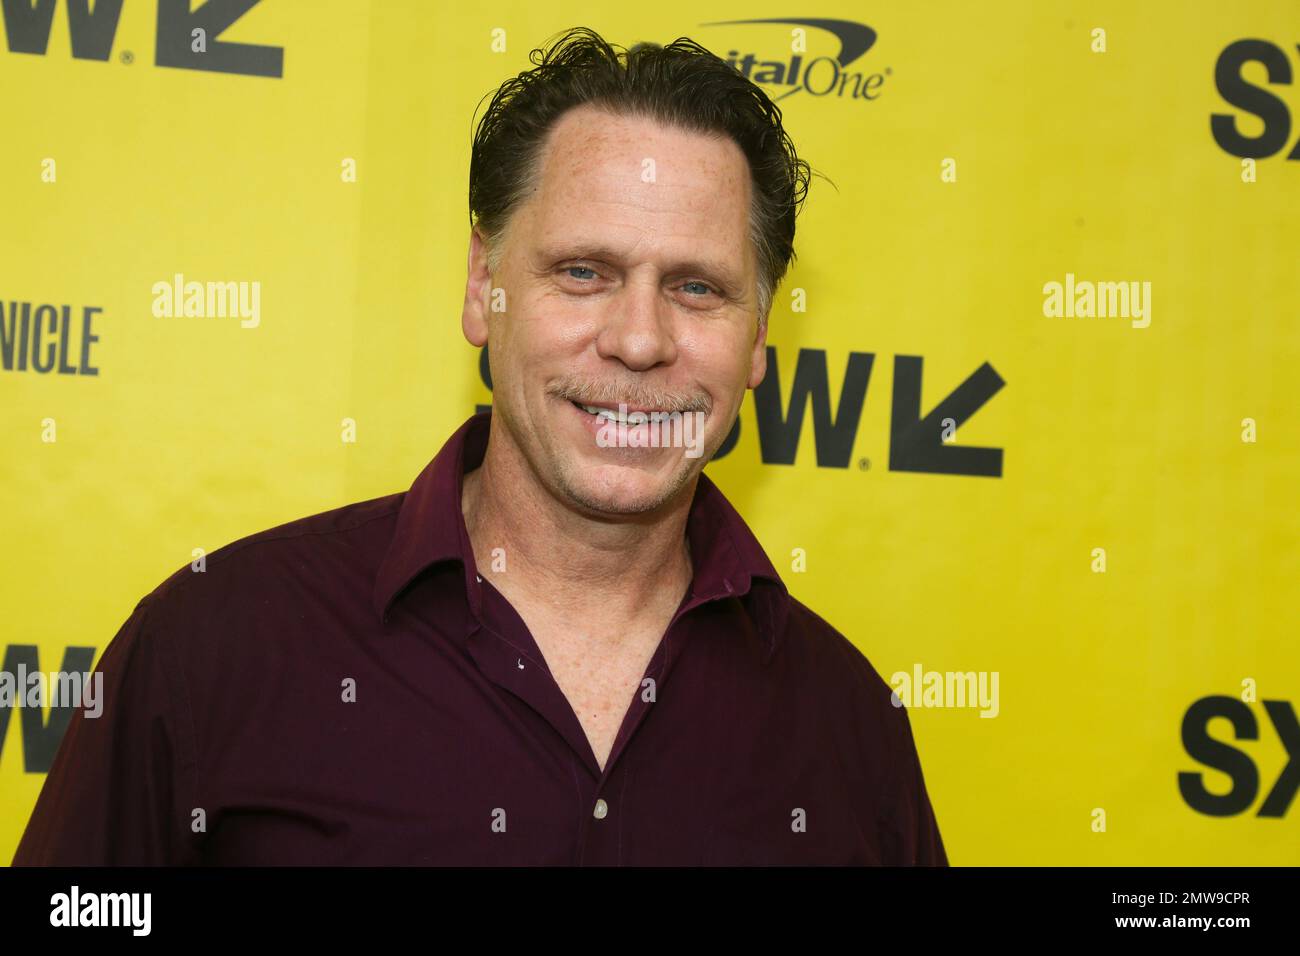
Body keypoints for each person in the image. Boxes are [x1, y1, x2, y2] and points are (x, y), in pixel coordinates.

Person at [13, 26, 947, 866]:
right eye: (584, 272)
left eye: (698, 288)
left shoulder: (848, 726)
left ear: (759, 339)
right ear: (481, 287)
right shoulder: (212, 650)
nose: (638, 338)